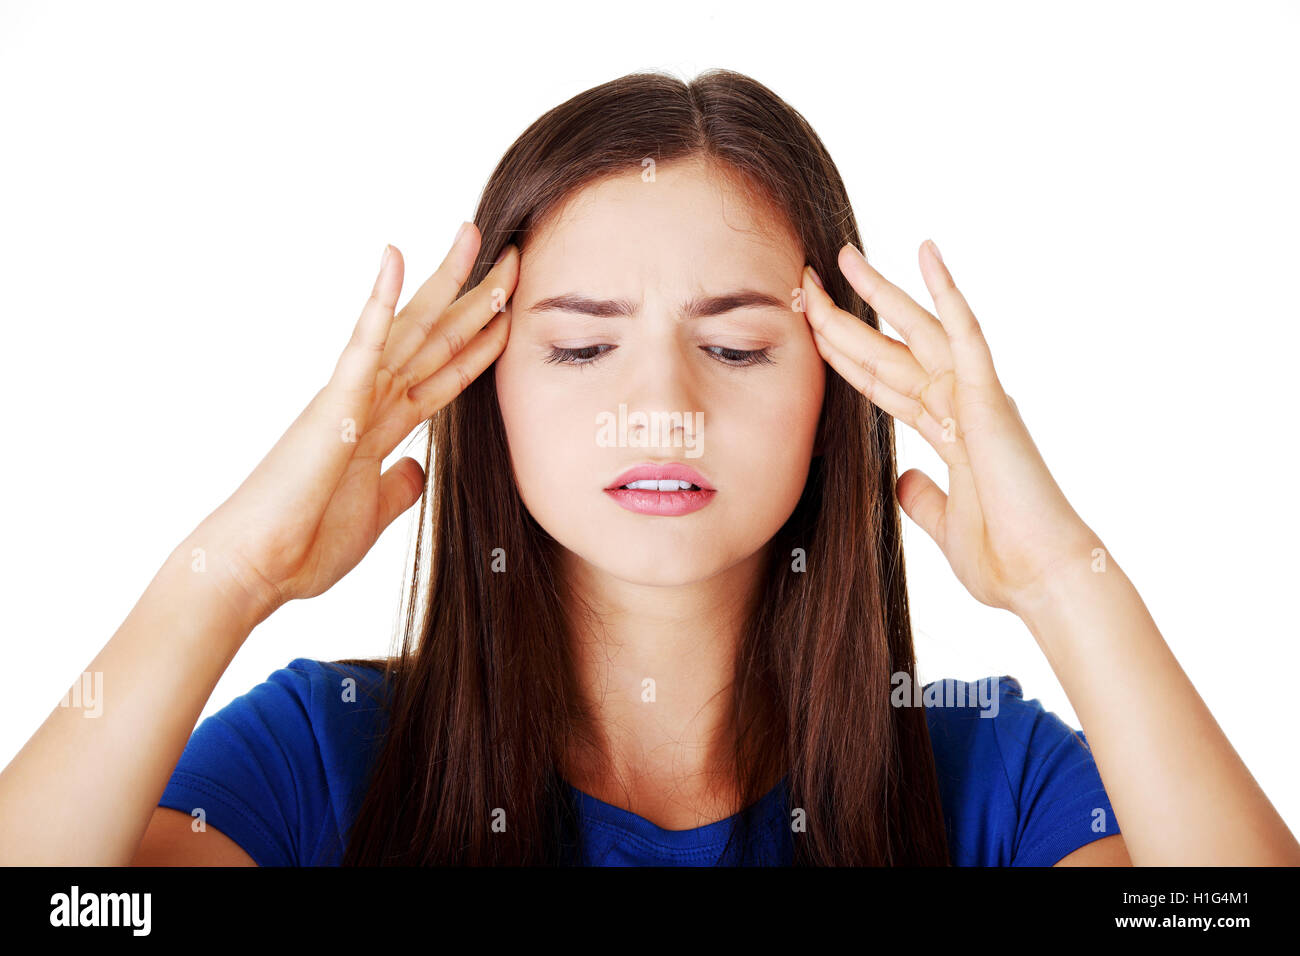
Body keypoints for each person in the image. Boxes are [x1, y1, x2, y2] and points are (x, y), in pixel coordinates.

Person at [3, 69, 1295, 866]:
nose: (660, 409)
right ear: (480, 384)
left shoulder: (987, 772)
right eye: (579, 348)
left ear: (840, 391)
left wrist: (1070, 581)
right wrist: (224, 574)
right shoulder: (326, 754)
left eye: (736, 347)